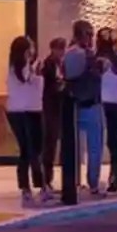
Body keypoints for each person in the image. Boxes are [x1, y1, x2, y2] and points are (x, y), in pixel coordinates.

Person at [6, 36, 52, 206]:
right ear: (26, 51)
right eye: (31, 48)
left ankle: (27, 188)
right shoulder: (24, 68)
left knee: (26, 150)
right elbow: (30, 81)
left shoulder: (13, 69)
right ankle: (40, 187)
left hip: (16, 111)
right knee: (35, 150)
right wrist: (36, 70)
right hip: (30, 111)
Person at [63, 19, 106, 197]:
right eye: (90, 34)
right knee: (94, 147)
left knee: (76, 146)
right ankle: (92, 183)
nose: (92, 38)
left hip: (77, 105)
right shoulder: (84, 55)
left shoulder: (70, 53)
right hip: (88, 105)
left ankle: (76, 181)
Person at [98, 27, 117, 193]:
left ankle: (100, 177)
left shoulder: (101, 58)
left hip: (103, 101)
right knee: (114, 141)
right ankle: (115, 175)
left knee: (100, 140)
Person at [40, 37, 67, 192]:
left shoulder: (59, 64)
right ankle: (46, 179)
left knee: (54, 144)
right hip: (50, 108)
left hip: (57, 108)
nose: (61, 53)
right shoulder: (48, 65)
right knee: (49, 144)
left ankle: (51, 179)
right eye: (59, 49)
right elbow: (48, 87)